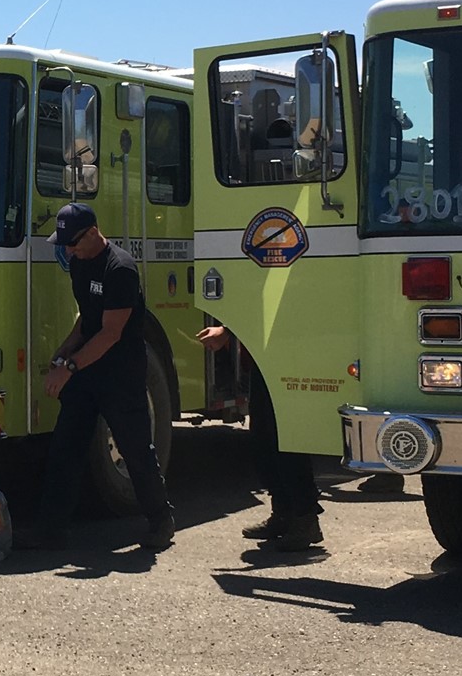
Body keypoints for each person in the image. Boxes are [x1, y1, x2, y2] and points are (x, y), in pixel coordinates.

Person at [21, 202, 175, 550]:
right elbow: (87, 319)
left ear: (93, 233)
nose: (68, 250)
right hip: (87, 366)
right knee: (65, 446)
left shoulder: (119, 268)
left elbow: (110, 333)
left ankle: (160, 519)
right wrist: (64, 350)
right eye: (64, 245)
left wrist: (69, 367)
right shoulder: (79, 262)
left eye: (73, 243)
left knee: (135, 448)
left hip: (120, 370)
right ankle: (51, 528)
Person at [197, 324, 324, 550]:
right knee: (264, 438)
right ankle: (283, 514)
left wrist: (227, 330)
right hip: (266, 355)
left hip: (290, 351)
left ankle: (305, 518)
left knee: (286, 437)